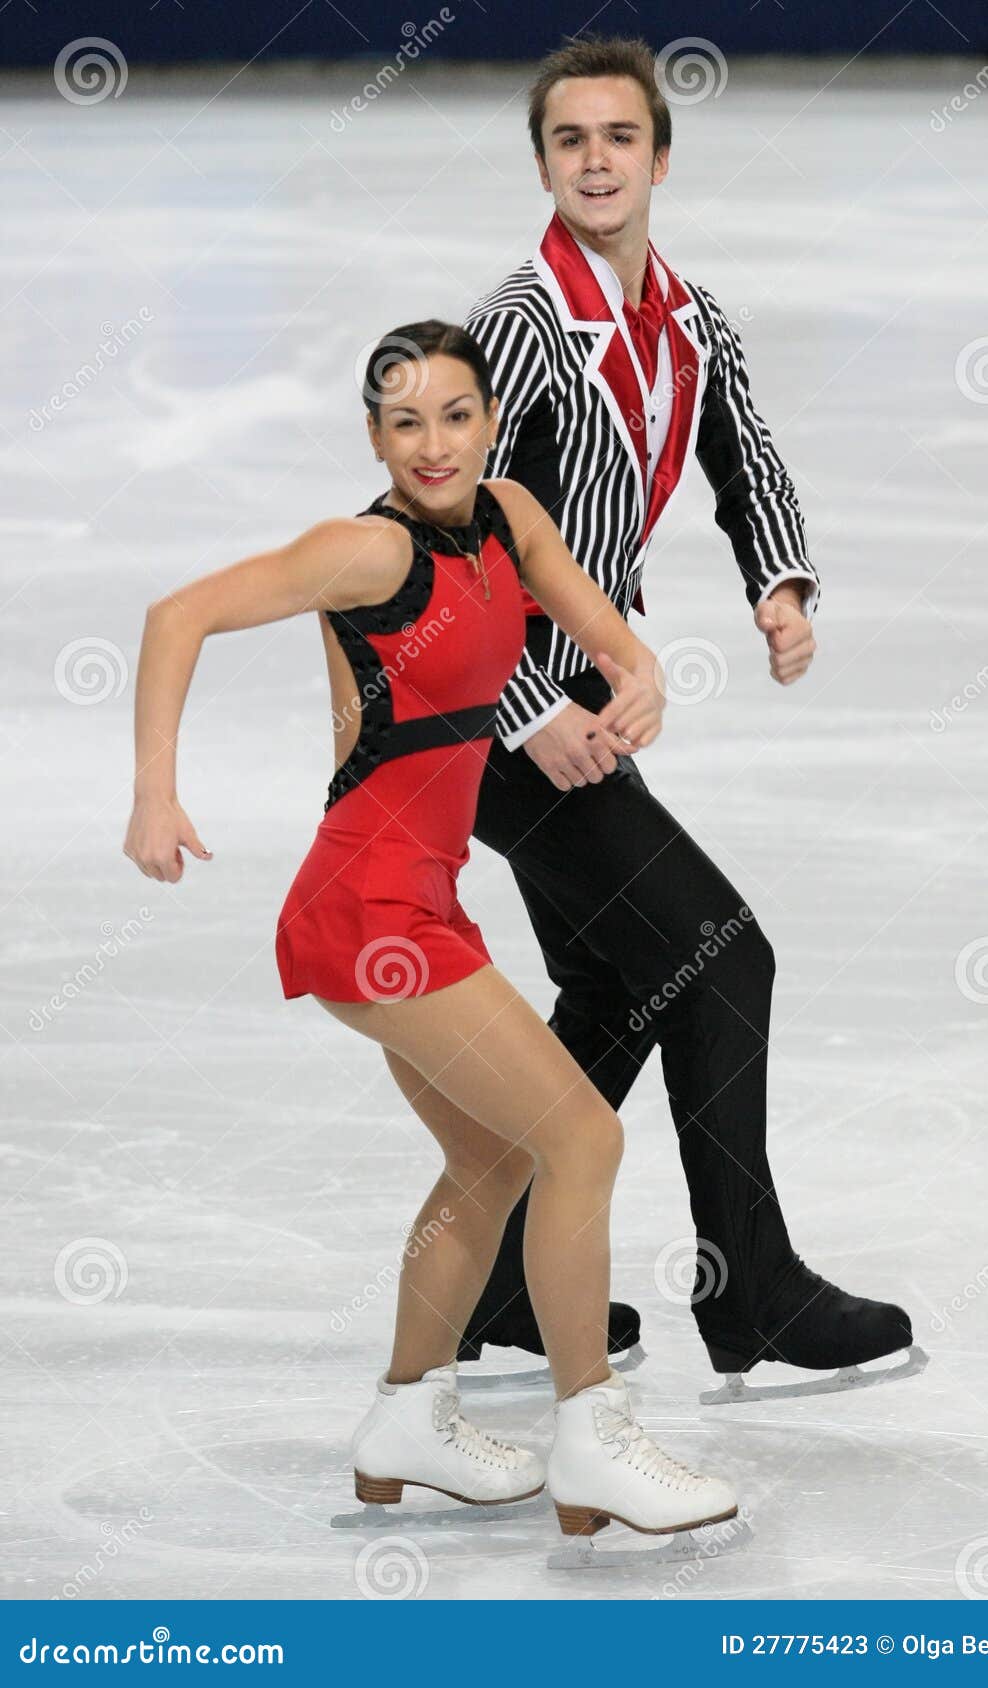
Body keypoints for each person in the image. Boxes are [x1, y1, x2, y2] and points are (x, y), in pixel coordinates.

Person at [122, 320, 739, 1543]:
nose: (434, 444)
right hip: (368, 909)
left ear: (489, 421)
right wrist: (154, 792)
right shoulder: (365, 552)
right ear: (375, 437)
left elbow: (598, 624)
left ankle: (409, 1416)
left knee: (494, 1158)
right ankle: (592, 1436)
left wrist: (638, 671)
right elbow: (175, 614)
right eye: (405, 423)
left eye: (456, 415)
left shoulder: (508, 517)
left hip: (422, 901)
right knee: (582, 1137)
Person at [455, 34, 922, 1401]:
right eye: (570, 140)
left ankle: (499, 1278)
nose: (596, 161)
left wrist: (778, 583)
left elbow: (743, 454)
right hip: (494, 714)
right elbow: (452, 530)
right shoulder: (518, 325)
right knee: (722, 956)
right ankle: (750, 1290)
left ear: (660, 157)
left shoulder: (687, 318)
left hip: (576, 707)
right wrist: (530, 705)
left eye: (620, 137)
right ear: (543, 165)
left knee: (621, 979)